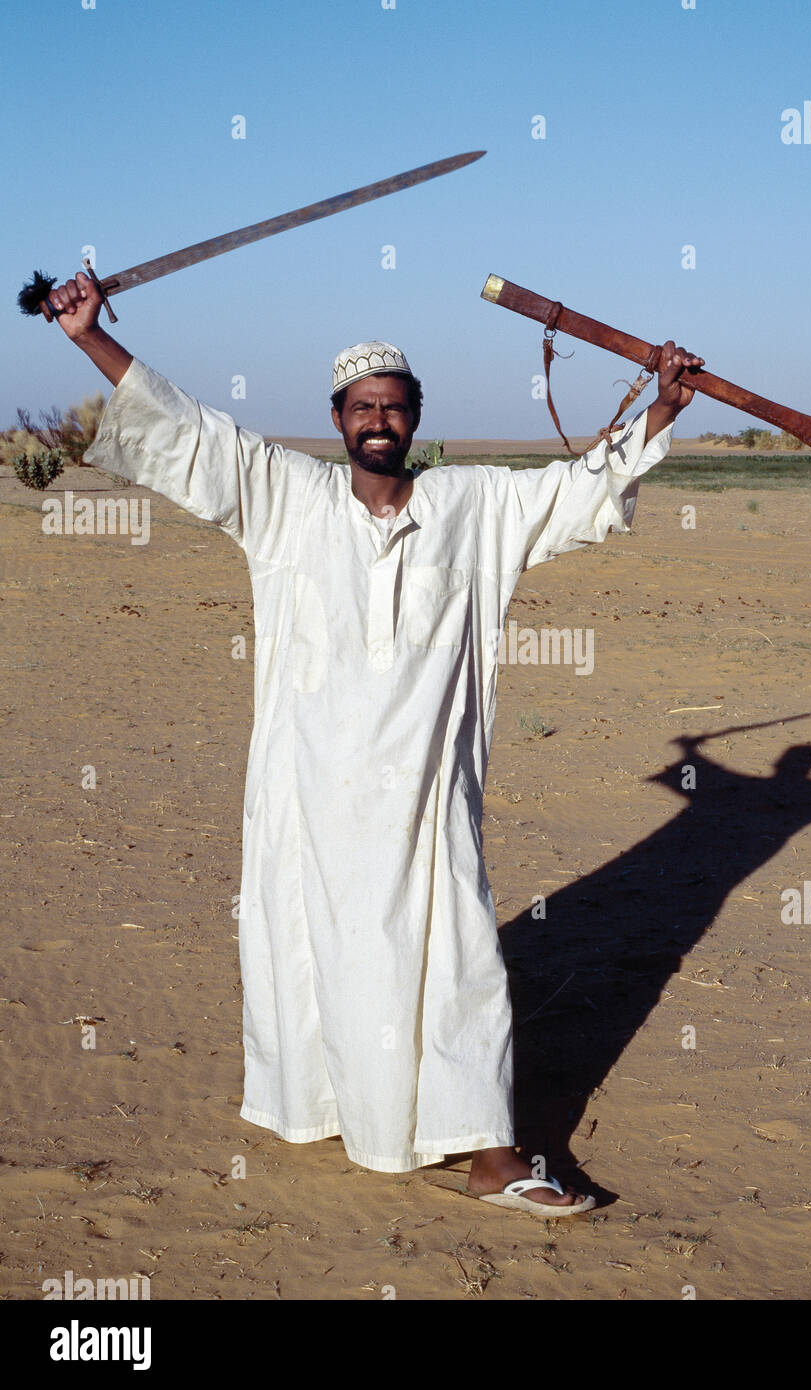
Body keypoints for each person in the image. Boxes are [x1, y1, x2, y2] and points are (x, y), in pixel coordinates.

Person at [44, 270, 703, 1216]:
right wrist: (87, 337)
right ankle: (338, 1111)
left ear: (416, 415)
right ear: (338, 417)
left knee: (457, 955)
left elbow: (572, 492)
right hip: (310, 792)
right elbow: (189, 431)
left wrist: (658, 412)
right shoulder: (286, 498)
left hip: (427, 794)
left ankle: (490, 1153)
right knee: (325, 955)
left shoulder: (473, 506)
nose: (379, 420)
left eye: (394, 406)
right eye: (363, 407)